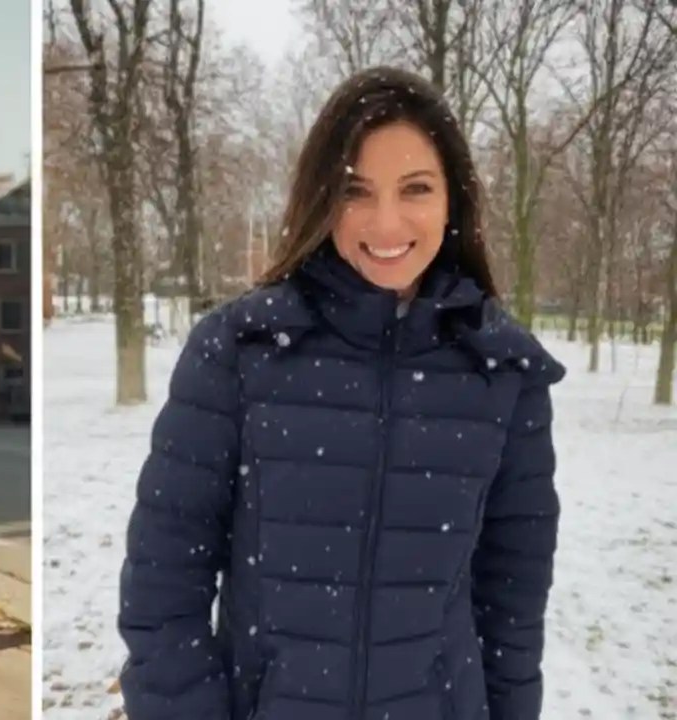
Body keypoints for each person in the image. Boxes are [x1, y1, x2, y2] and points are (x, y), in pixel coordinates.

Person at [117, 66, 565, 720]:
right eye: (356, 191)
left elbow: (513, 608)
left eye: (415, 188)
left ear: (454, 201)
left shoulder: (504, 374)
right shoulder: (238, 351)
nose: (386, 224)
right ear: (322, 198)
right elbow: (164, 589)